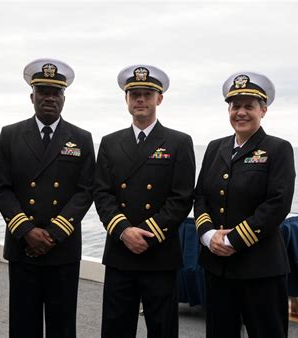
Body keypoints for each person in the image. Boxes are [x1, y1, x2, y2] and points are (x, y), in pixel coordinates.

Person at [0, 58, 95, 338]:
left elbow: (85, 190)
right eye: (43, 92)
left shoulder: (81, 138)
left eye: (55, 93)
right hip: (22, 245)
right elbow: (2, 188)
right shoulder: (11, 135)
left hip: (61, 246)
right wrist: (26, 230)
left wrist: (53, 233)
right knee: (23, 325)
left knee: (62, 326)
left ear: (64, 98)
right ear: (32, 97)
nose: (49, 98)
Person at [94, 64, 196, 338]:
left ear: (159, 99)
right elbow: (102, 194)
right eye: (134, 94)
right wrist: (124, 231)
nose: (140, 99)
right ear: (126, 99)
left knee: (162, 329)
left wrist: (147, 235)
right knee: (116, 328)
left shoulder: (179, 142)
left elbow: (182, 197)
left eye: (147, 94)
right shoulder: (110, 142)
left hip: (159, 253)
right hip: (120, 251)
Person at [194, 71, 296, 338]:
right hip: (218, 268)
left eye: (248, 106)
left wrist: (231, 241)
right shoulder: (215, 148)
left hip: (260, 268)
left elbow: (277, 204)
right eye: (235, 106)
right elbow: (201, 196)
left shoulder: (278, 149)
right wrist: (208, 236)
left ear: (263, 110)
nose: (241, 112)